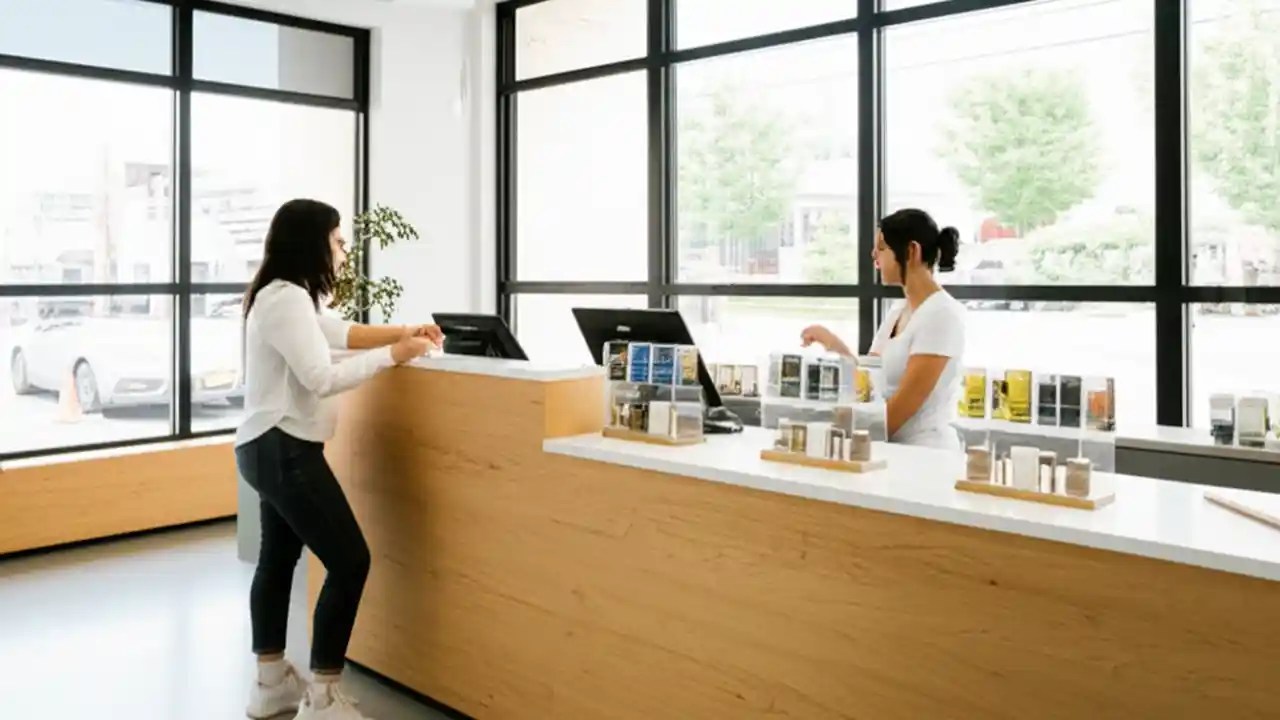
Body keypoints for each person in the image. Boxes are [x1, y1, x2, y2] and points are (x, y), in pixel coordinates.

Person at [236, 199, 444, 720]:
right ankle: (324, 700)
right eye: (336, 239)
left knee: (278, 562)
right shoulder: (284, 300)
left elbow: (338, 333)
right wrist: (394, 356)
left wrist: (402, 332)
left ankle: (271, 687)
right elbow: (321, 377)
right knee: (350, 561)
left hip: (267, 448)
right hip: (284, 450)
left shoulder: (286, 298)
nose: (343, 249)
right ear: (312, 243)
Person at [802, 208, 966, 449]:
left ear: (911, 251)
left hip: (925, 454)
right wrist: (834, 344)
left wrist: (835, 435)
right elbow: (869, 382)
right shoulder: (897, 312)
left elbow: (898, 413)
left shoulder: (941, 315)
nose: (873, 255)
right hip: (891, 449)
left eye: (881, 247)